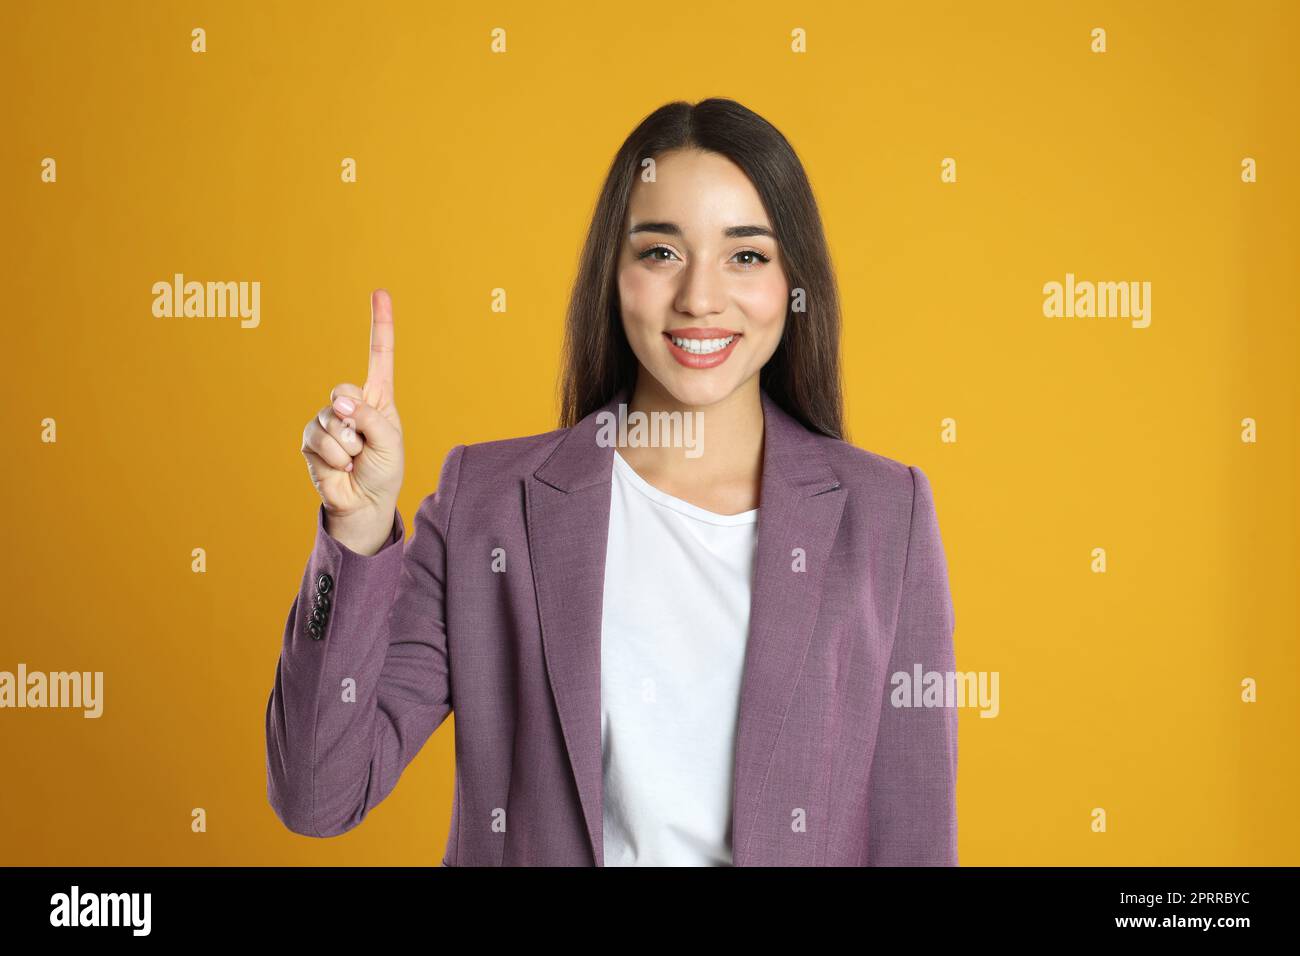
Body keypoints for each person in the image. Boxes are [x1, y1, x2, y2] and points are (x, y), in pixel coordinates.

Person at [265, 98, 958, 866]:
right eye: (660, 252)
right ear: (613, 274)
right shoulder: (486, 505)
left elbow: (916, 839)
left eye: (746, 256)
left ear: (795, 282)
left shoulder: (886, 516)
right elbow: (317, 795)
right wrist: (358, 530)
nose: (699, 298)